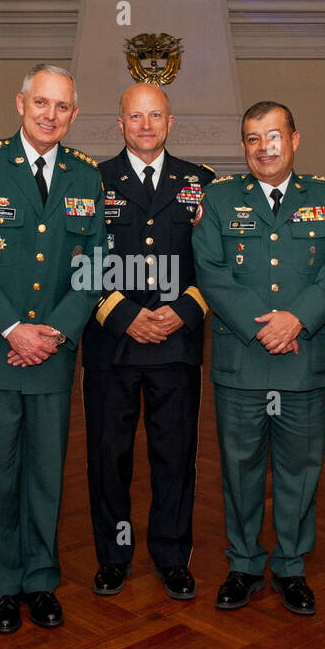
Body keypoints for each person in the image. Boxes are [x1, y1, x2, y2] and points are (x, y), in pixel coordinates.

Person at [0, 63, 105, 634]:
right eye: (41, 103)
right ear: (20, 103)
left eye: (62, 107)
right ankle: (3, 585)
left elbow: (92, 268)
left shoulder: (87, 178)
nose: (50, 115)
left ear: (74, 114)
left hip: (54, 355)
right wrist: (14, 329)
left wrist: (56, 332)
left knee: (45, 473)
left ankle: (40, 580)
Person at [192, 101, 325, 615]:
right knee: (239, 470)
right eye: (252, 138)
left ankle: (290, 566)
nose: (264, 147)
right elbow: (211, 272)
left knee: (299, 470)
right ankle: (242, 564)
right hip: (242, 359)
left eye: (274, 136)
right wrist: (266, 328)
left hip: (303, 358)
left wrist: (297, 320)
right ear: (244, 146)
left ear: (295, 139)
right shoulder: (218, 200)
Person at [82, 83, 214, 601]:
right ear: (119, 123)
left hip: (177, 344)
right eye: (134, 116)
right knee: (108, 455)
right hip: (112, 344)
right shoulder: (91, 181)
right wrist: (124, 315)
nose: (144, 125)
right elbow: (79, 257)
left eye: (154, 115)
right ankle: (113, 557)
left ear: (170, 121)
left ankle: (171, 556)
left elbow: (215, 262)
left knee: (175, 454)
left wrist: (182, 312)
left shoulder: (201, 183)